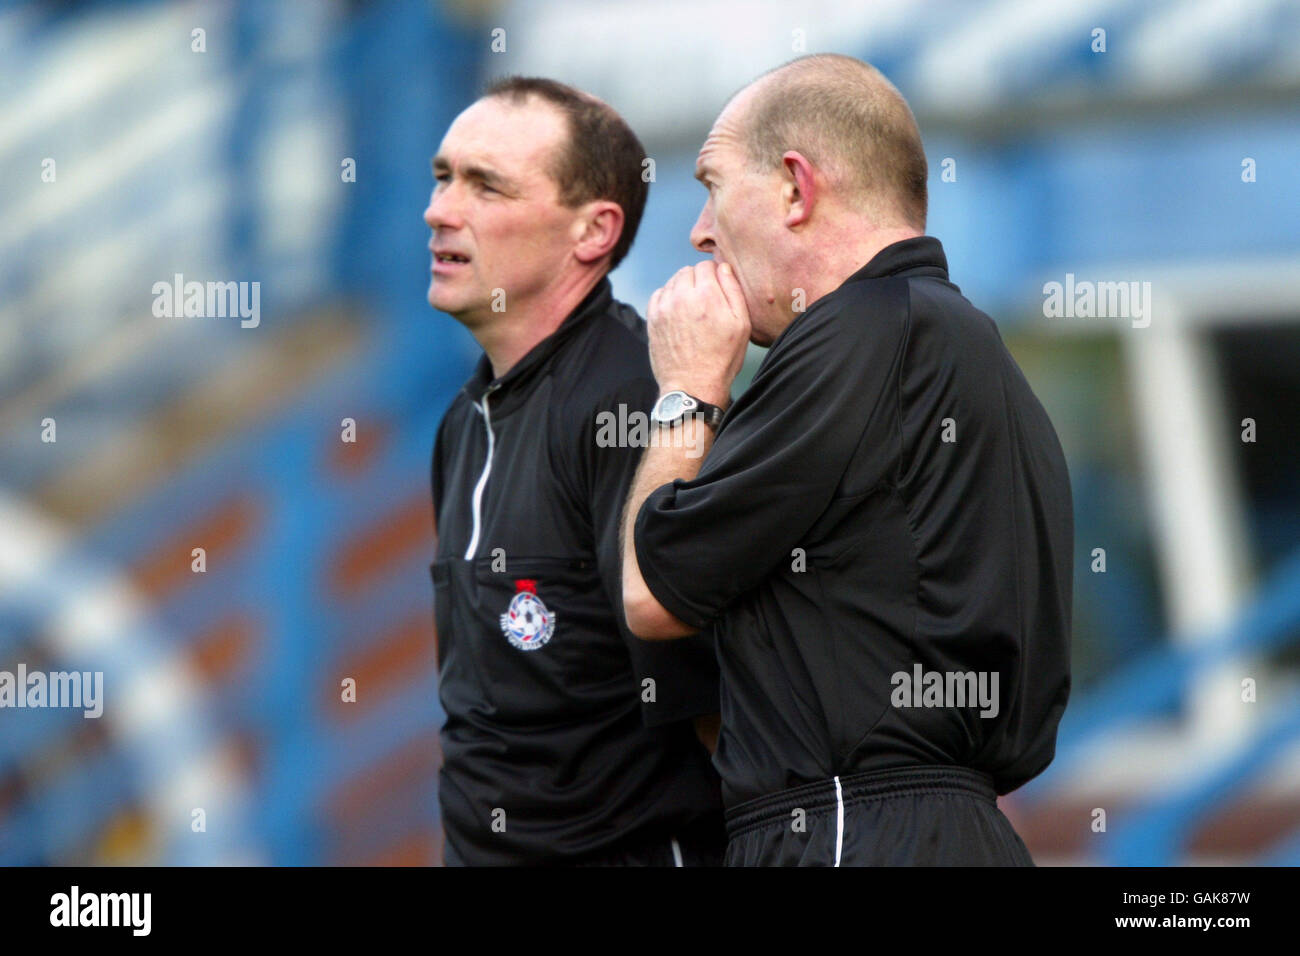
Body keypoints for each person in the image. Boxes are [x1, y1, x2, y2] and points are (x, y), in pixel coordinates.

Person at [621, 54, 1073, 866]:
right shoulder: (972, 350)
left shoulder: (857, 331)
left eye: (713, 183)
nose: (700, 229)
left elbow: (654, 591)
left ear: (796, 188)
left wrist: (686, 390)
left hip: (845, 832)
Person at [426, 76, 724, 866]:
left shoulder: (634, 407)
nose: (440, 210)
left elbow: (711, 704)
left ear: (593, 231)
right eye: (443, 176)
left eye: (485, 185)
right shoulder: (465, 421)